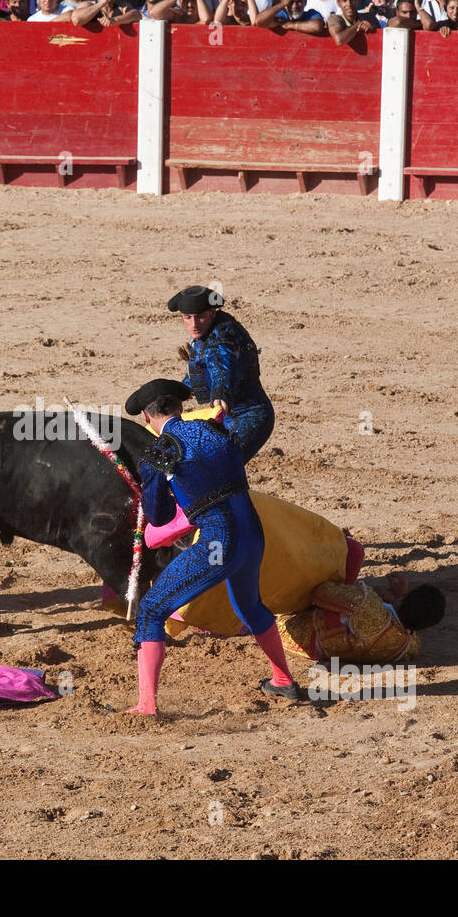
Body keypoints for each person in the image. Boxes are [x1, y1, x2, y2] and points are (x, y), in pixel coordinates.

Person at [125, 379, 300, 714]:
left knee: (151, 610)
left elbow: (160, 517)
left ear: (147, 417)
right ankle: (282, 679)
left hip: (219, 544)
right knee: (250, 607)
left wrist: (157, 490)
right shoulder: (216, 431)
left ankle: (147, 704)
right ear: (180, 407)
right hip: (253, 534)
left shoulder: (160, 453)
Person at [169, 285, 274, 464]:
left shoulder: (222, 339)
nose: (194, 324)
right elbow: (204, 372)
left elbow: (222, 367)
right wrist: (174, 393)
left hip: (250, 417)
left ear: (212, 312)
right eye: (188, 318)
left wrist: (220, 393)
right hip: (230, 417)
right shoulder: (209, 332)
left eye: (200, 317)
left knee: (220, 467)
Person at [282, 573, 446, 665]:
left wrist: (380, 595)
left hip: (295, 632)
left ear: (405, 599)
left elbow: (320, 592)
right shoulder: (409, 647)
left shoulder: (367, 604)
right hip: (322, 651)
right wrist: (399, 598)